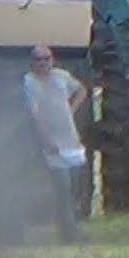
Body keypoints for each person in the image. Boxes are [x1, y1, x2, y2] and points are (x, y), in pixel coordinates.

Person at [22, 44, 89, 243]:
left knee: (75, 188)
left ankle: (73, 227)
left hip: (71, 141)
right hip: (53, 144)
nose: (43, 63)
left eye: (46, 59)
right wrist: (46, 140)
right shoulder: (29, 83)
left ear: (52, 60)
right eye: (38, 59)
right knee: (63, 190)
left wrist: (72, 108)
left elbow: (82, 90)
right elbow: (34, 116)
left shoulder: (61, 77)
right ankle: (68, 234)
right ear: (31, 63)